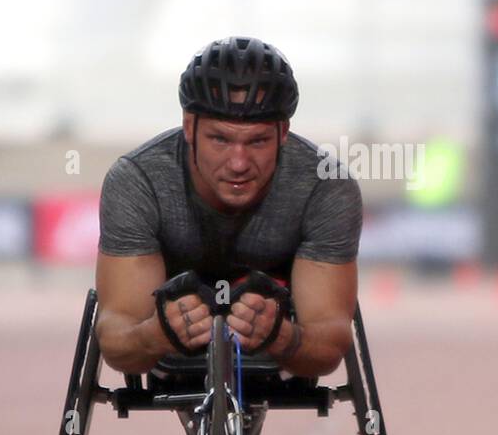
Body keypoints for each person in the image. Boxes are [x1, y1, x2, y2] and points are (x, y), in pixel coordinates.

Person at [94, 36, 361, 379]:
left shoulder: (326, 187)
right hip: (172, 315)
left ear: (283, 132)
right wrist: (155, 334)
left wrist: (282, 337)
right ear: (189, 126)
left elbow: (328, 347)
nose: (238, 163)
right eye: (220, 139)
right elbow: (117, 339)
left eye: (258, 141)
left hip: (275, 316)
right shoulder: (138, 181)